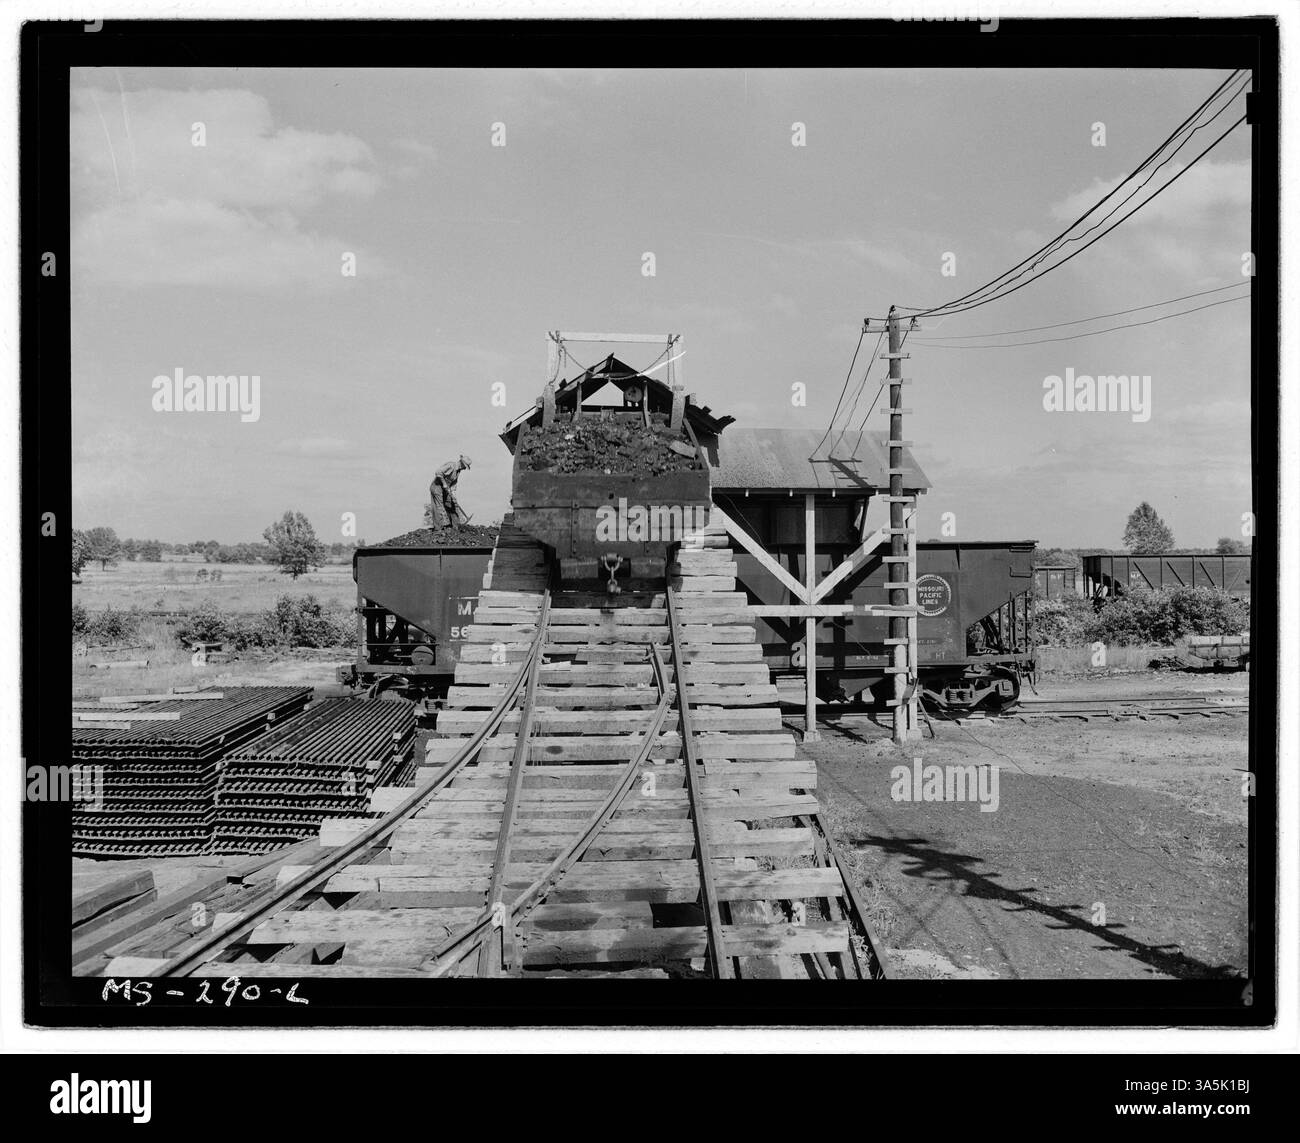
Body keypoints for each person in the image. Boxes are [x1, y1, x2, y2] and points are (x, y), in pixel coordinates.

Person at [429, 455, 472, 528]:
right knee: (439, 506)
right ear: (461, 463)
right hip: (437, 486)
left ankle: (455, 526)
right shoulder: (451, 465)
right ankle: (438, 528)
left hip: (446, 488)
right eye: (465, 466)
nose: (464, 469)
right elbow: (438, 472)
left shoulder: (458, 472)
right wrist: (444, 483)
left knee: (451, 503)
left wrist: (454, 497)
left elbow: (454, 485)